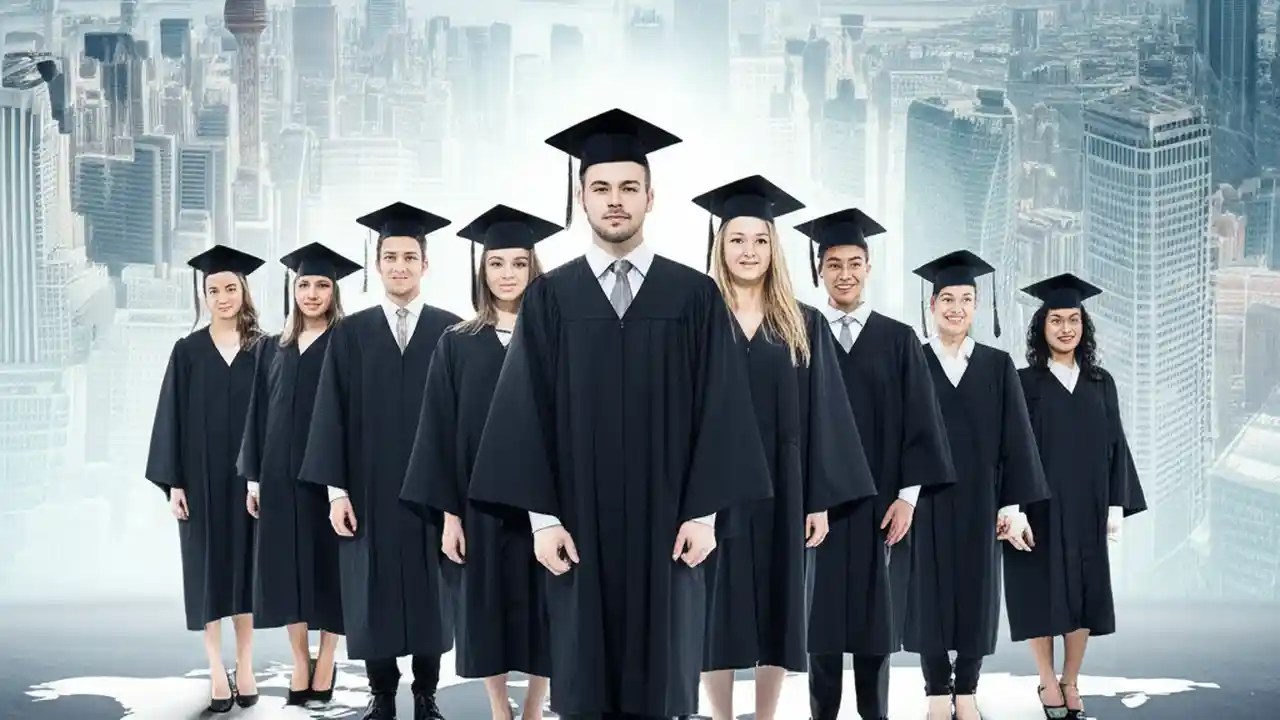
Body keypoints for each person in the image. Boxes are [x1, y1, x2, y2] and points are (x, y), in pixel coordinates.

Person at [467, 108, 774, 720]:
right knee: (582, 680)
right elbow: (525, 410)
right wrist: (542, 520)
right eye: (601, 188)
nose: (615, 201)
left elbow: (722, 410)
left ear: (651, 197)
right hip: (577, 525)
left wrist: (706, 515)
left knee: (664, 682)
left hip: (671, 526)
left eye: (629, 187)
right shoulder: (551, 298)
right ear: (581, 198)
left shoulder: (693, 295)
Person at [691, 176, 877, 720]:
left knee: (779, 603)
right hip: (713, 485)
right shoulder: (697, 318)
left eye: (760, 240)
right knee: (714, 607)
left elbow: (825, 415)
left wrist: (818, 499)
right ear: (719, 247)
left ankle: (767, 716)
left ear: (775, 248)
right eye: (737, 240)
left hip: (784, 484)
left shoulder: (803, 322)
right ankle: (722, 717)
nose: (749, 251)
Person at [300, 202, 461, 720]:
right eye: (389, 256)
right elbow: (330, 414)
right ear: (377, 264)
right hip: (368, 488)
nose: (399, 266)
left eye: (409, 257)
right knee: (372, 589)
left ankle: (427, 692)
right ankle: (382, 692)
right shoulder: (350, 334)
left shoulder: (453, 331)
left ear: (425, 264)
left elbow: (465, 420)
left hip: (432, 492)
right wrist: (336, 491)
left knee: (431, 589)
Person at [401, 204, 561, 720]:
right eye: (497, 264)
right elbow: (438, 433)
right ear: (482, 271)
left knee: (547, 608)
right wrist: (448, 515)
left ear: (533, 269)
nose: (508, 274)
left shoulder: (558, 340)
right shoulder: (457, 343)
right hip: (480, 505)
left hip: (547, 502)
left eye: (519, 263)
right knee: (484, 610)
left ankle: (534, 708)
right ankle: (499, 708)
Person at [795, 209, 955, 720]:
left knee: (873, 624)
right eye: (834, 263)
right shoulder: (801, 332)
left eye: (855, 262)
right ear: (819, 268)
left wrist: (908, 499)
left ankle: (875, 716)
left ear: (869, 267)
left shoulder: (898, 338)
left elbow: (921, 424)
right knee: (817, 623)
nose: (845, 273)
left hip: (878, 506)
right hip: (818, 504)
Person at [904, 250, 1051, 720]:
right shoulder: (914, 362)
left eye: (966, 299)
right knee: (925, 592)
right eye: (947, 298)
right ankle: (934, 689)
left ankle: (965, 689)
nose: (956, 308)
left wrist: (1012, 505)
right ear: (931, 306)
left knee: (976, 592)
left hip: (981, 499)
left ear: (977, 306)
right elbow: (898, 436)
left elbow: (1017, 439)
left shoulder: (996, 365)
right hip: (925, 499)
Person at [1008, 273, 1147, 720]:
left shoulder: (1100, 382)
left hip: (1087, 507)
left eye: (1073, 319)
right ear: (1040, 327)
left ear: (1083, 327)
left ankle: (1071, 678)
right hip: (1038, 508)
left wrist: (1114, 506)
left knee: (1084, 595)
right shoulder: (1023, 381)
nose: (1066, 328)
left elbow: (1115, 444)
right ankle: (1046, 679)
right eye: (1056, 320)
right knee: (1039, 595)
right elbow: (1008, 447)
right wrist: (1011, 507)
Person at [238, 242, 360, 706]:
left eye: (322, 285)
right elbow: (257, 412)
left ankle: (327, 656)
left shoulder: (348, 343)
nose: (312, 293)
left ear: (334, 291)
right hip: (278, 476)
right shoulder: (272, 346)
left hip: (330, 479)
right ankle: (298, 659)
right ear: (294, 289)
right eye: (304, 284)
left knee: (330, 568)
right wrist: (253, 478)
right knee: (285, 568)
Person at [146, 244, 266, 713]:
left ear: (244, 291)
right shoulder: (188, 351)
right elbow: (169, 418)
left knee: (246, 572)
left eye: (230, 288)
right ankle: (217, 669)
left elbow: (275, 418)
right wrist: (175, 483)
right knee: (206, 574)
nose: (222, 297)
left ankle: (249, 665)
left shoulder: (264, 349)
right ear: (204, 295)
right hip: (199, 481)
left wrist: (263, 477)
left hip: (248, 484)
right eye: (213, 289)